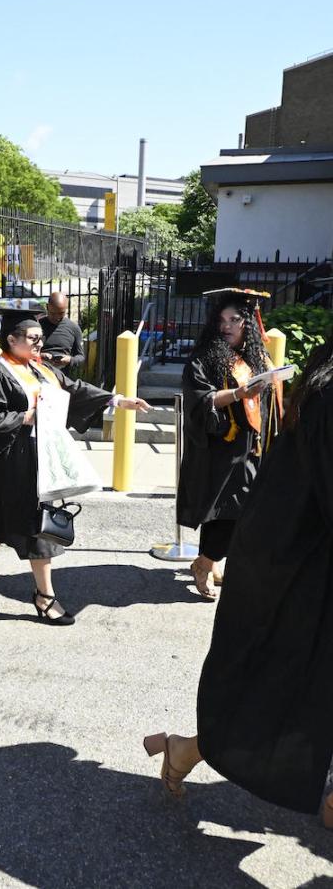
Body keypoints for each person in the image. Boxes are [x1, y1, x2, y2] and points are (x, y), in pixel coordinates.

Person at [144, 334, 333, 827]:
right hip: (296, 566)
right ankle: (189, 748)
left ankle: (188, 749)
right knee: (278, 684)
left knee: (287, 687)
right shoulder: (326, 391)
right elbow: (202, 401)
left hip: (290, 546)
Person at [0, 306, 150, 625]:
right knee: (38, 527)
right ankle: (44, 596)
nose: (40, 344)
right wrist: (25, 417)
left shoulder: (40, 369)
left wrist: (117, 400)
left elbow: (74, 389)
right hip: (14, 463)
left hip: (42, 458)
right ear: (12, 339)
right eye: (33, 338)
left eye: (40, 338)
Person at [177, 288, 282, 601]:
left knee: (231, 510)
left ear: (246, 323)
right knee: (229, 510)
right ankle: (205, 562)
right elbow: (199, 400)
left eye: (234, 319)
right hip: (219, 448)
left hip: (251, 446)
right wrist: (238, 394)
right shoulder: (204, 357)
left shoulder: (257, 356)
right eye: (221, 320)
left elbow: (268, 405)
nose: (227, 326)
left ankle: (210, 560)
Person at [39, 292, 85, 377]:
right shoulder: (36, 326)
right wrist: (40, 356)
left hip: (62, 378)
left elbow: (81, 357)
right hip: (38, 375)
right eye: (52, 313)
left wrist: (70, 360)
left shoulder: (74, 328)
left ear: (66, 309)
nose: (57, 317)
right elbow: (24, 352)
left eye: (61, 313)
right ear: (47, 307)